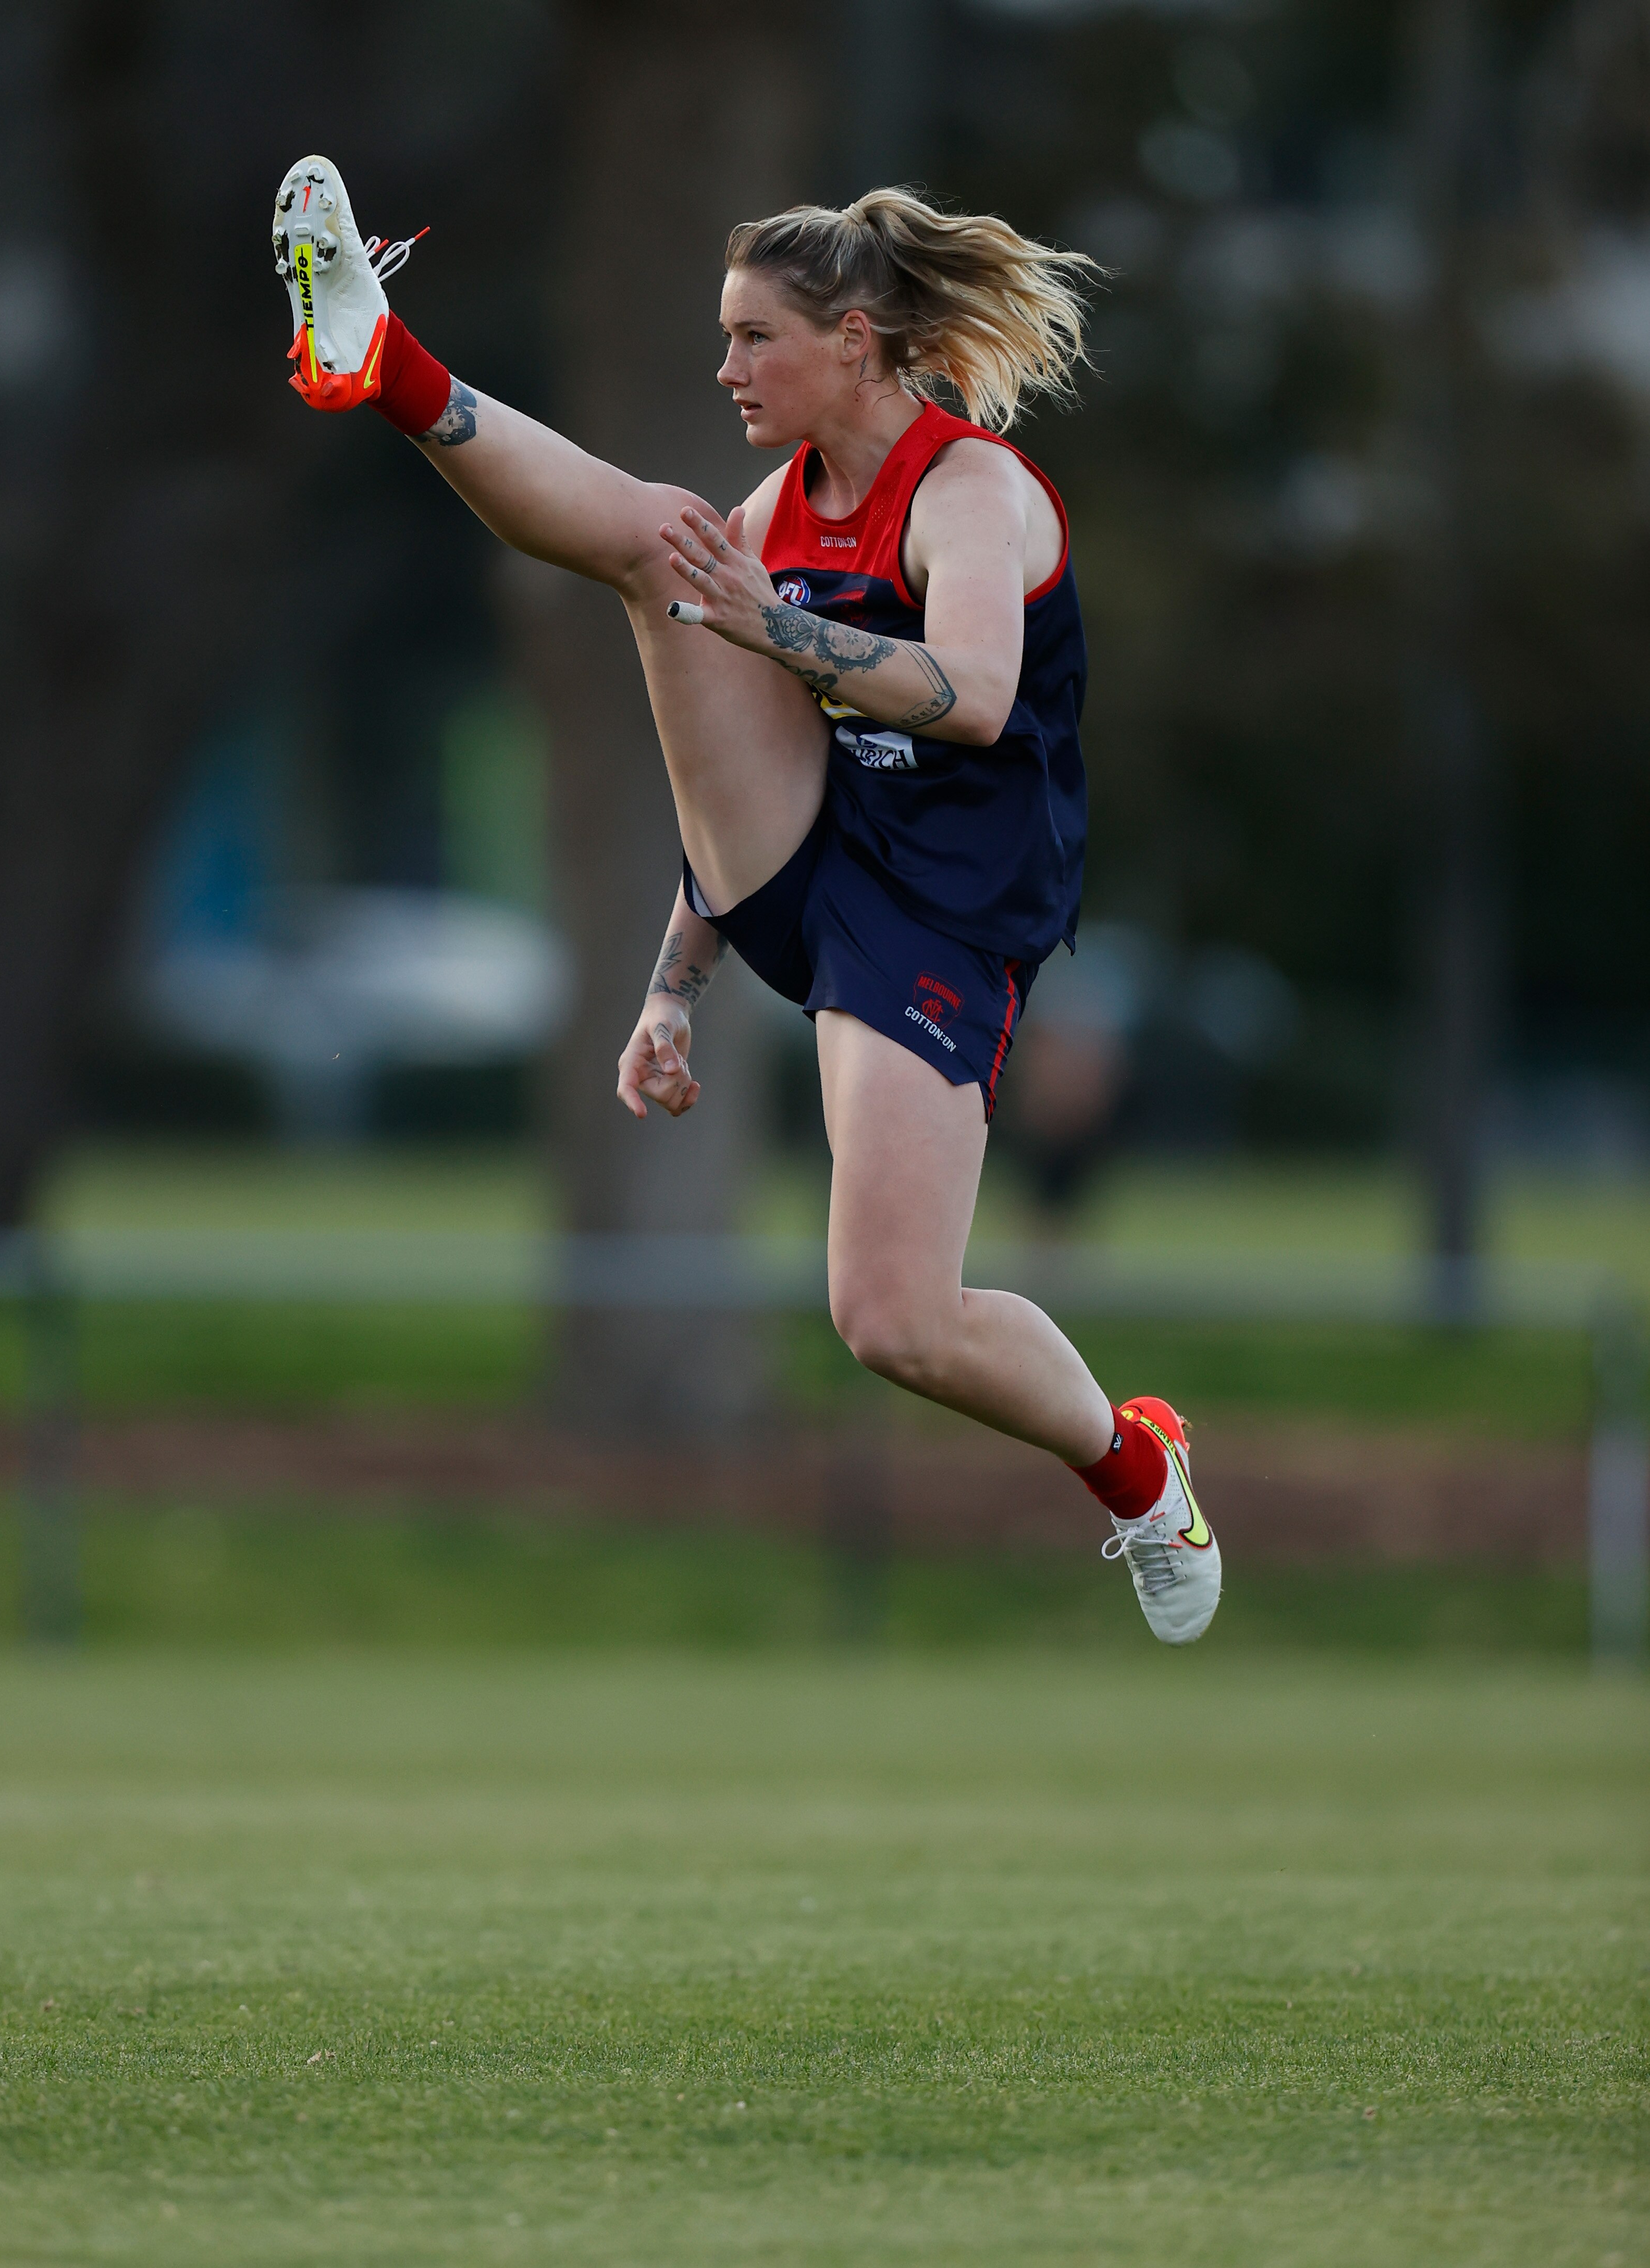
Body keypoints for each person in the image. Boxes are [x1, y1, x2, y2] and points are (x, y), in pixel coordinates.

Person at [270, 156, 1221, 1642]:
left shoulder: (971, 491)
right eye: (724, 338)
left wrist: (773, 627)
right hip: (804, 870)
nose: (725, 368)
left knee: (893, 1321)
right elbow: (726, 758)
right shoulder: (778, 507)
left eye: (753, 338)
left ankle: (1137, 1468)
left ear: (853, 341)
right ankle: (380, 359)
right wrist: (672, 990)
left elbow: (975, 698)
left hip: (944, 925)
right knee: (661, 539)